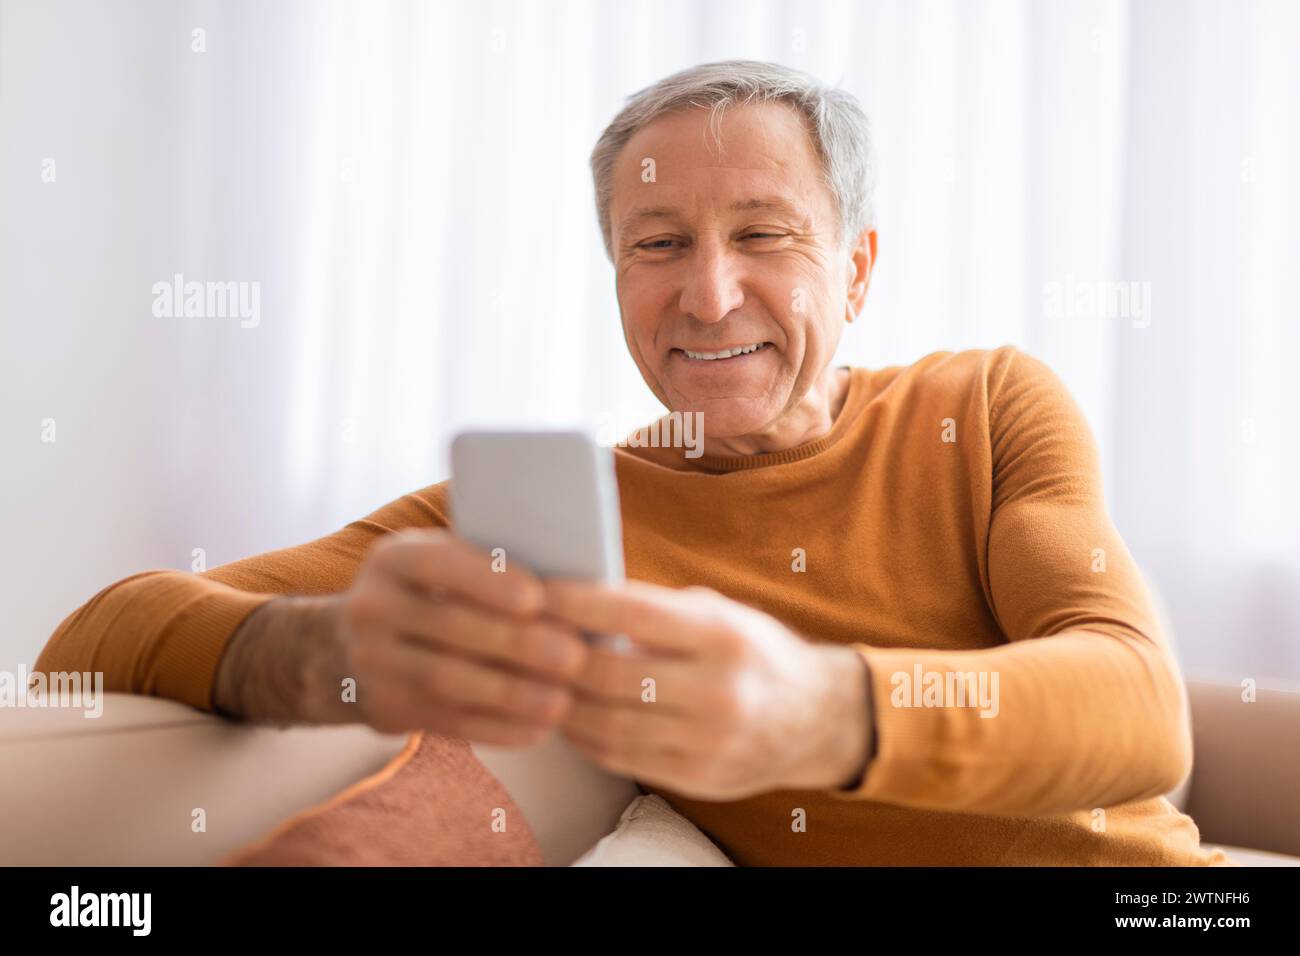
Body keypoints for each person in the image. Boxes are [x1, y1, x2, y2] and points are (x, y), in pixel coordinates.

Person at [33, 59, 1231, 866]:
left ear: (856, 268)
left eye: (764, 234)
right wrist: (329, 652)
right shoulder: (560, 519)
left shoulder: (985, 405)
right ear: (617, 275)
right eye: (658, 243)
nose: (709, 295)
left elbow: (1137, 706)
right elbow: (96, 631)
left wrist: (817, 713)